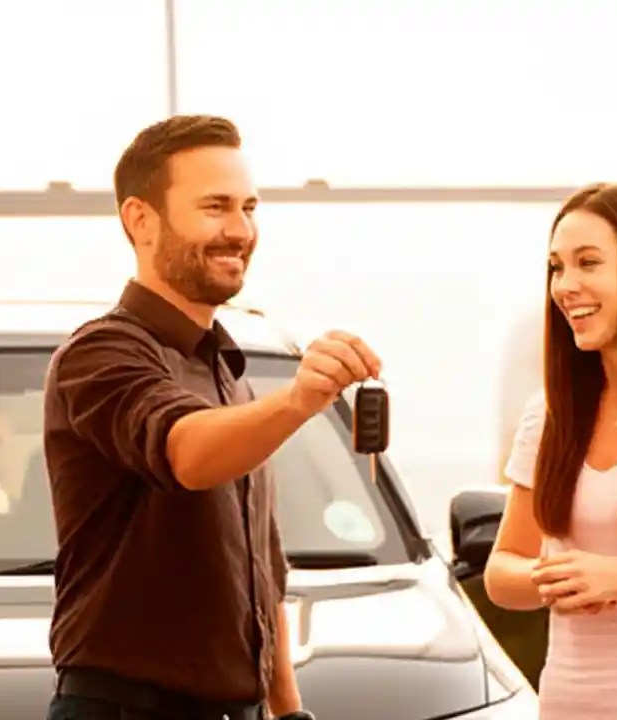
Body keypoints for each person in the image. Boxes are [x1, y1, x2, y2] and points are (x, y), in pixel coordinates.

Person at [42, 114, 379, 720]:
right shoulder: (100, 355)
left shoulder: (226, 368)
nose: (241, 230)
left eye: (249, 208)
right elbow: (186, 454)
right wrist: (301, 399)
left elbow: (259, 565)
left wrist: (288, 709)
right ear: (141, 221)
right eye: (216, 207)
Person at [483, 182, 617, 719]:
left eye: (588, 263)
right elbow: (502, 568)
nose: (565, 286)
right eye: (557, 267)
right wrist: (550, 577)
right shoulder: (552, 414)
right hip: (567, 703)